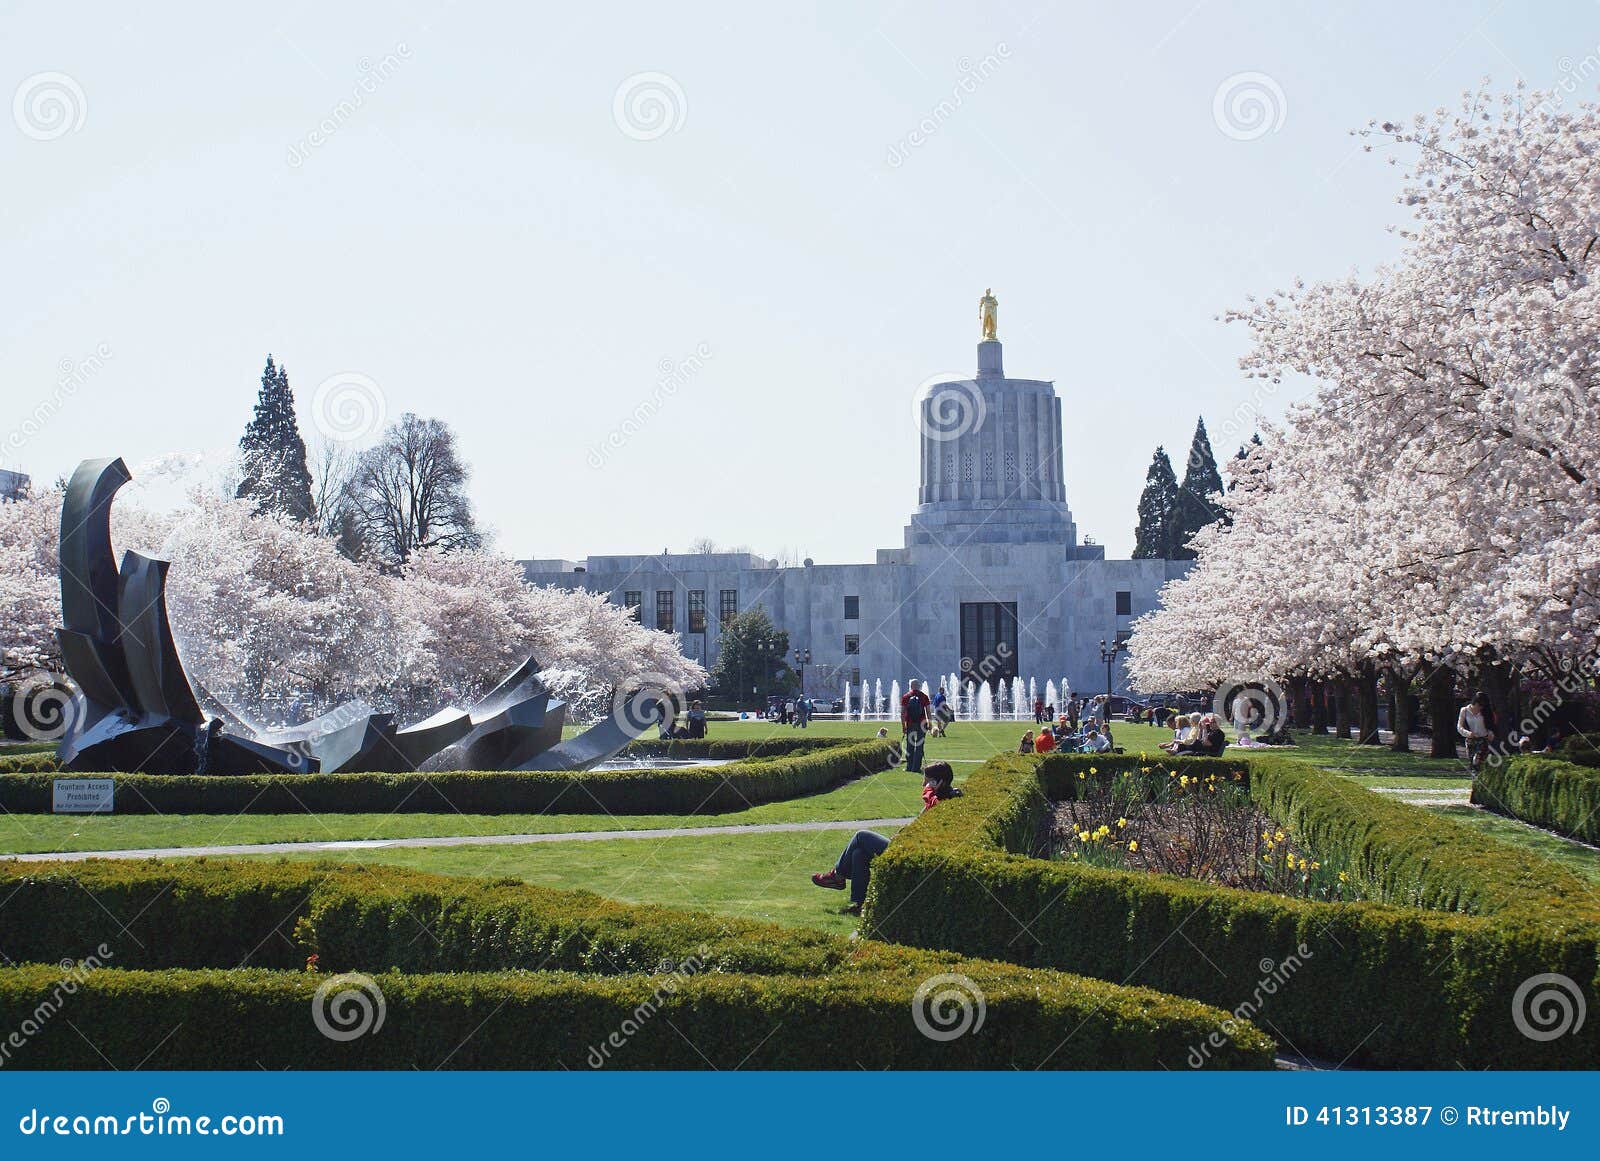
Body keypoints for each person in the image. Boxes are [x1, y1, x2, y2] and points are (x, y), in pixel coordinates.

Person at [812, 761, 960, 914]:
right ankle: (858, 904)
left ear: (938, 782)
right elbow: (918, 823)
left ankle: (837, 876)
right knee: (859, 854)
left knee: (861, 836)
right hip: (907, 844)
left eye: (927, 780)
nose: (924, 784)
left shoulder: (941, 801)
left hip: (910, 851)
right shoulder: (938, 797)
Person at [1457, 691, 1493, 773]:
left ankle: (1479, 782)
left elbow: (1490, 726)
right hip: (1470, 741)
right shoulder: (1464, 711)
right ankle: (1476, 783)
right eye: (1479, 705)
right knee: (1473, 765)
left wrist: (1490, 734)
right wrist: (1468, 733)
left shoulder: (1484, 712)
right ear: (1475, 702)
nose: (1480, 708)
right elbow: (1459, 727)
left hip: (1483, 740)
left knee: (1477, 761)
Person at [901, 678, 931, 774]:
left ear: (910, 686)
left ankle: (909, 767)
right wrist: (929, 724)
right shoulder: (924, 696)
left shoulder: (906, 696)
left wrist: (903, 726)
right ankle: (916, 767)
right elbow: (928, 712)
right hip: (922, 724)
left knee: (910, 745)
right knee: (919, 746)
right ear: (919, 686)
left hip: (910, 724)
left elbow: (902, 713)